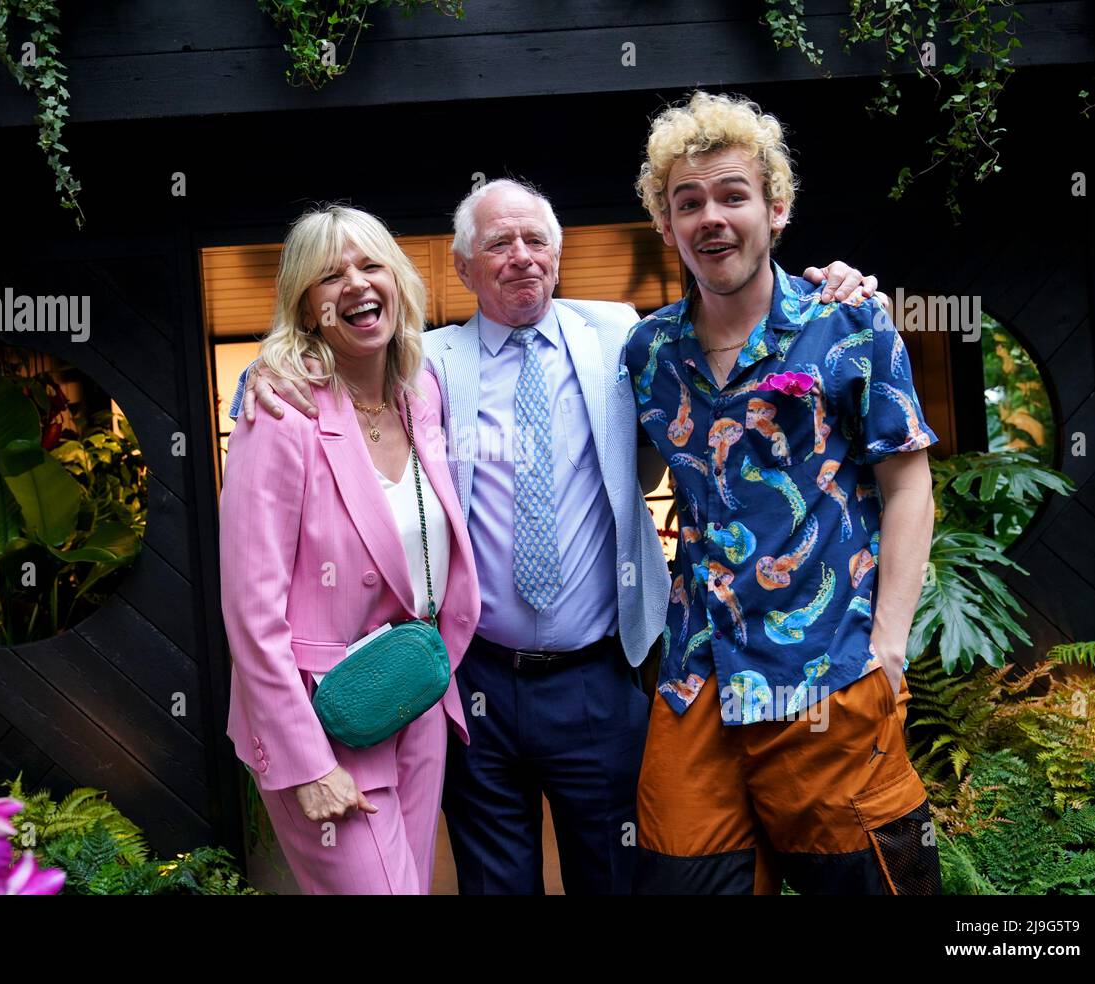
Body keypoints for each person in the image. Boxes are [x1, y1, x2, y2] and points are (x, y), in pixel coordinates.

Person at [232, 179, 877, 894]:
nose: (521, 258)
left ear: (559, 255)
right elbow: (319, 383)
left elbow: (735, 312)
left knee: (613, 876)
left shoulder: (624, 336)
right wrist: (264, 371)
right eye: (498, 245)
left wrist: (834, 285)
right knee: (493, 882)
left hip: (598, 678)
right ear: (463, 267)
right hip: (472, 681)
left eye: (536, 241)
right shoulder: (430, 366)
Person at [622, 89, 941, 894]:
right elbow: (630, 474)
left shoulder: (851, 326)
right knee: (680, 882)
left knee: (877, 882)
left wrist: (889, 649)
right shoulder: (646, 353)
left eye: (733, 195)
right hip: (699, 675)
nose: (711, 218)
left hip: (829, 670)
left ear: (777, 207)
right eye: (686, 202)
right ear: (666, 225)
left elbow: (909, 488)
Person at [218, 205, 481, 894]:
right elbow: (252, 613)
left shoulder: (418, 394)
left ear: (397, 279)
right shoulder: (279, 415)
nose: (356, 284)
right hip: (323, 715)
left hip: (413, 700)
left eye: (370, 265)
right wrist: (305, 762)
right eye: (330, 275)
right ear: (306, 307)